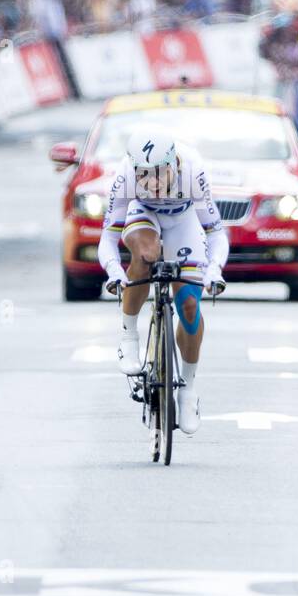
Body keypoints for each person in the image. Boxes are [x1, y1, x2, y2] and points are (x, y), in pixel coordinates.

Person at [98, 129, 228, 437]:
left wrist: (215, 270)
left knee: (189, 306)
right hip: (143, 217)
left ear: (174, 165)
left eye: (160, 174)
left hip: (184, 224)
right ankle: (129, 337)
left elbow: (215, 232)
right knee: (146, 254)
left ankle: (188, 390)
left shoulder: (193, 170)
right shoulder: (125, 176)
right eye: (145, 176)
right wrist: (114, 270)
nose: (153, 184)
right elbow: (108, 237)